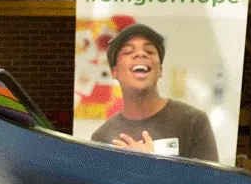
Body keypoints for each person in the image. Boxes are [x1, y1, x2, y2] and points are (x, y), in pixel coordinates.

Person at [89, 23, 219, 163]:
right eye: (128, 52)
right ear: (114, 72)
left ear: (160, 70)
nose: (140, 53)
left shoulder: (193, 122)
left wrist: (152, 165)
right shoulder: (101, 138)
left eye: (150, 51)